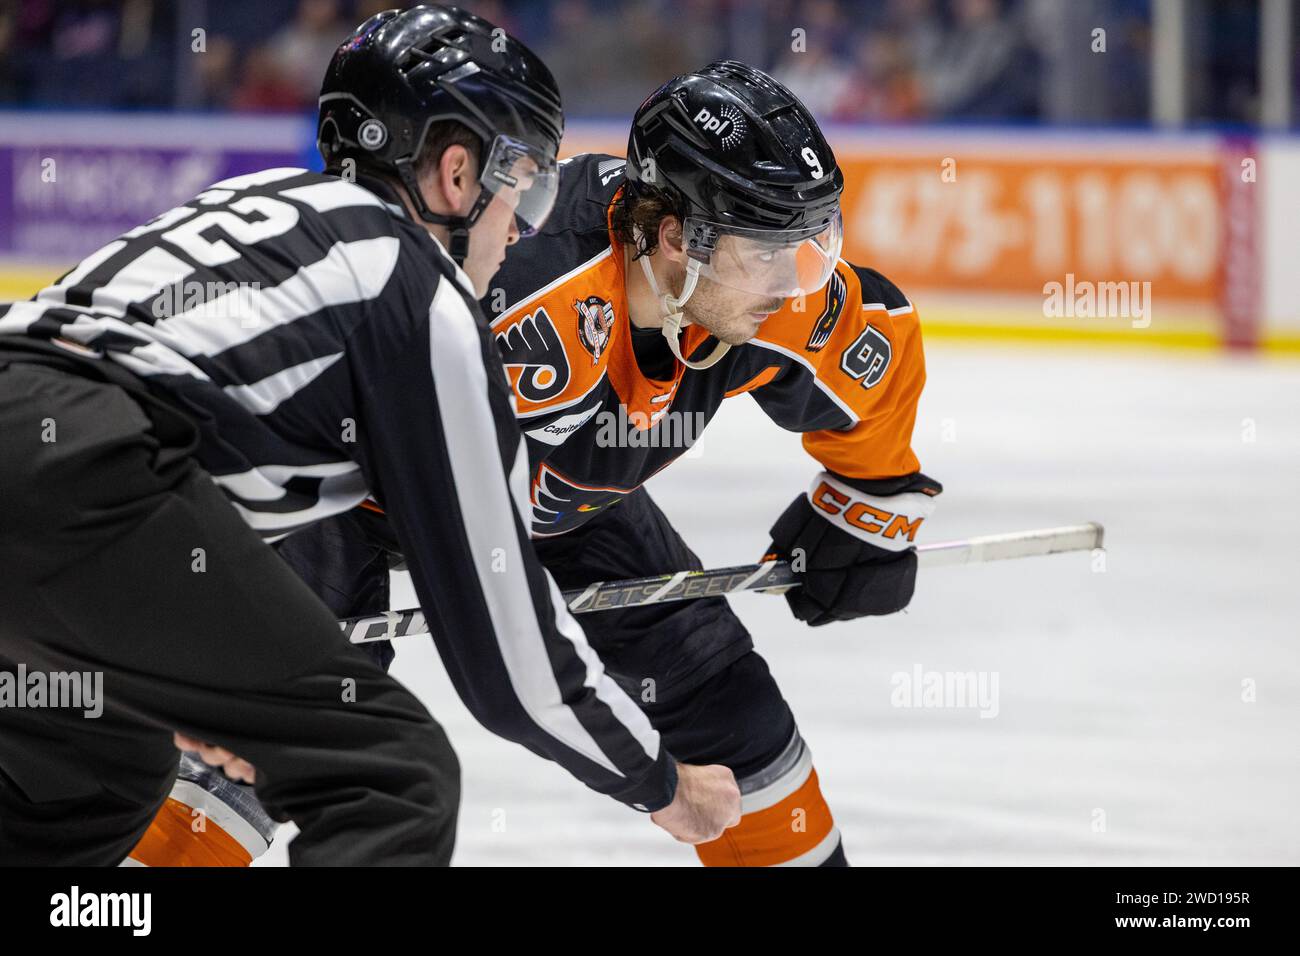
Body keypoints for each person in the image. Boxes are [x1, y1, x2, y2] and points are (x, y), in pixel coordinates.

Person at [136, 60, 938, 868]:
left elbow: (881, 352)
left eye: (810, 244)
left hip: (553, 489)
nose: (795, 280)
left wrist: (868, 502)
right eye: (771, 251)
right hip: (345, 480)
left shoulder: (767, 298)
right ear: (674, 241)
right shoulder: (516, 289)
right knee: (273, 723)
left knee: (725, 703)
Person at [0, 6, 738, 867]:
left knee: (97, 767)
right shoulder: (422, 295)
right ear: (459, 174)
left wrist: (226, 685)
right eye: (526, 189)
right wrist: (659, 784)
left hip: (45, 446)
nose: (525, 230)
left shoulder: (256, 201)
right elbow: (507, 653)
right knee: (393, 780)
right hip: (88, 478)